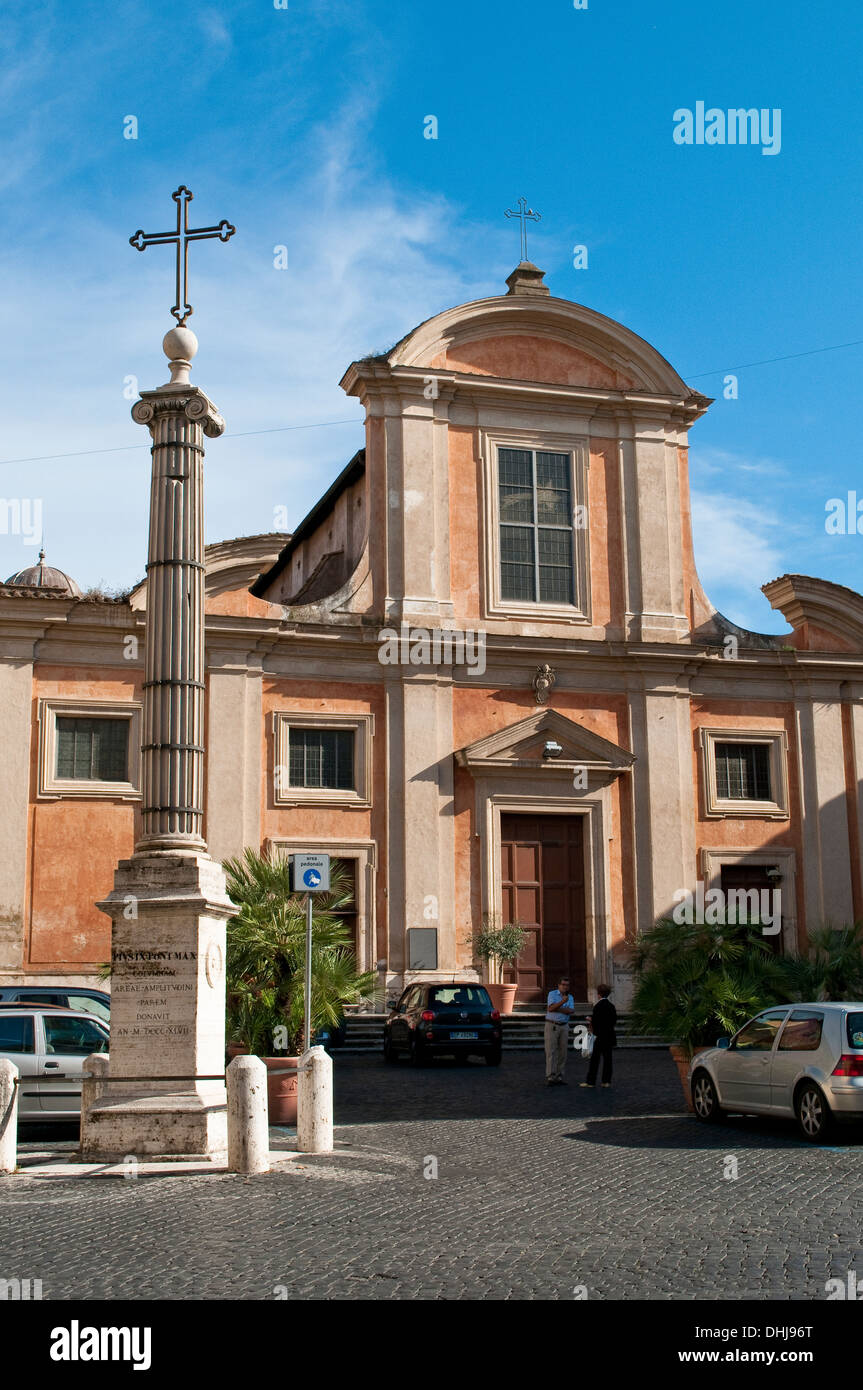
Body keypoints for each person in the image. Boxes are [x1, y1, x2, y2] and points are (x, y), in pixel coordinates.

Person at [581, 983, 617, 1088]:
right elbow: (613, 1020)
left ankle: (591, 1081)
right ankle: (606, 1081)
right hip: (609, 1036)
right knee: (608, 1059)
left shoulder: (597, 1006)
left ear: (599, 994)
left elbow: (596, 1021)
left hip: (599, 1037)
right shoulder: (611, 1006)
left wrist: (590, 1019)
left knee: (595, 1060)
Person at [544, 975, 575, 1085]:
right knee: (551, 1051)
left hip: (564, 1025)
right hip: (552, 1025)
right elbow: (550, 1008)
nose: (565, 987)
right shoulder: (552, 994)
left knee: (563, 1052)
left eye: (567, 985)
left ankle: (559, 1075)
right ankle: (551, 1076)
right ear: (559, 985)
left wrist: (558, 1008)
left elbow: (571, 1011)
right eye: (563, 985)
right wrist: (562, 1003)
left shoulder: (570, 997)